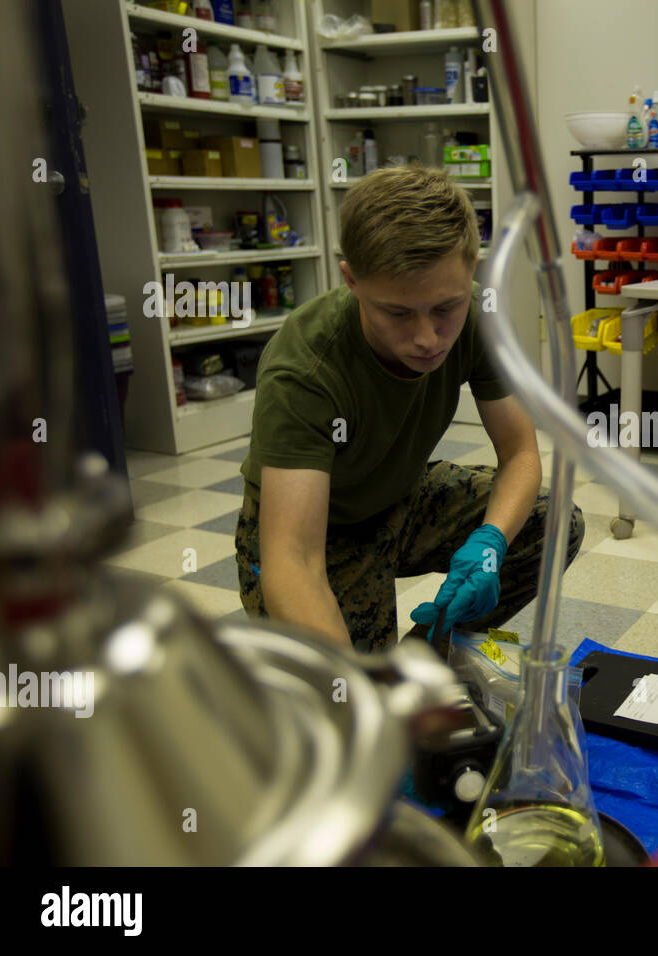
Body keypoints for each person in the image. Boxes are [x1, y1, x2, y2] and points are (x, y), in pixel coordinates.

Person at [235, 165, 584, 654]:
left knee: (551, 522)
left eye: (446, 308)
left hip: (401, 494)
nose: (426, 339)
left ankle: (423, 659)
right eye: (397, 313)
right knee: (347, 692)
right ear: (351, 279)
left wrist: (490, 543)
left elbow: (521, 453)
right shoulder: (305, 371)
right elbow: (292, 560)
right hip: (314, 532)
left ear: (473, 268)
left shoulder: (480, 317)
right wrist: (356, 692)